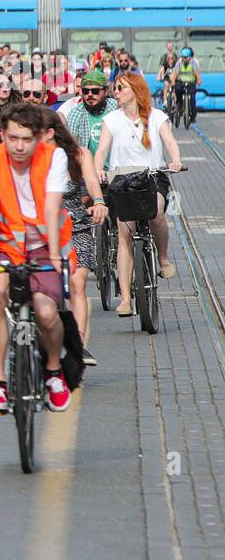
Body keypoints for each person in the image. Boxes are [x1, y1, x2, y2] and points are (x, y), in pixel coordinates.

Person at [0, 103, 76, 414]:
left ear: (40, 138)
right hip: (1, 242)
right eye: (13, 138)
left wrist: (56, 258)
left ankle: (54, 372)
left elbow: (52, 206)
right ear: (2, 134)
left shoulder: (54, 156)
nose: (19, 146)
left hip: (44, 242)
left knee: (46, 313)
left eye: (27, 139)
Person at [92, 71, 184, 317]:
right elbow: (101, 150)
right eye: (115, 88)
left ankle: (163, 259)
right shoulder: (112, 119)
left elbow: (170, 141)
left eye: (121, 88)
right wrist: (99, 168)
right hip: (122, 179)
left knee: (156, 215)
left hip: (153, 176)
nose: (116, 93)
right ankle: (124, 299)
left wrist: (175, 160)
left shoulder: (157, 117)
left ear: (135, 90)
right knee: (124, 233)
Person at [41, 110, 107, 366]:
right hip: (44, 228)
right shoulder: (30, 157)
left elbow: (91, 180)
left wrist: (99, 201)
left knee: (78, 285)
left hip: (76, 224)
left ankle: (79, 344)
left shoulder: (79, 154)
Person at [60, 69, 116, 153]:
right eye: (85, 91)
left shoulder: (115, 108)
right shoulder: (75, 114)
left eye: (95, 91)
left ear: (106, 92)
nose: (90, 94)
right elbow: (72, 150)